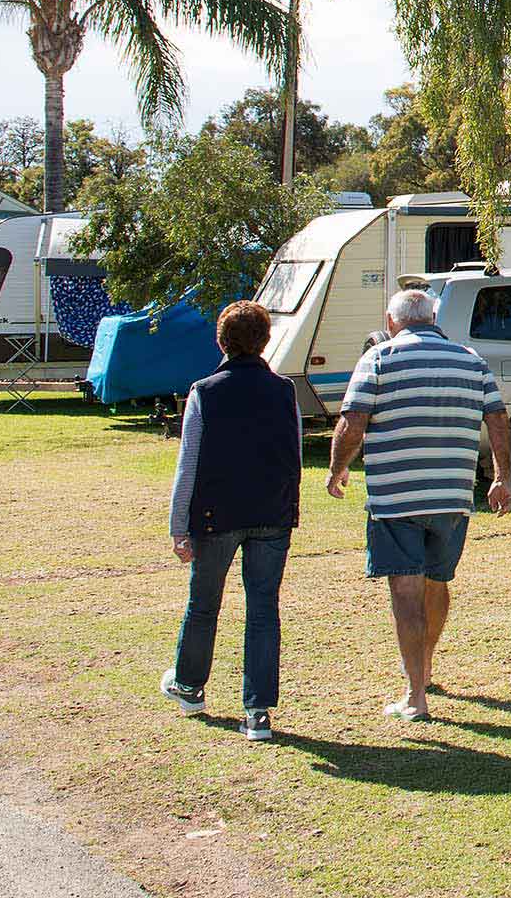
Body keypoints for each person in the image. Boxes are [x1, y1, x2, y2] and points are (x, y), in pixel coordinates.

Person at [327, 285, 511, 721]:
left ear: (391, 322)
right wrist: (502, 477)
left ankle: (415, 695)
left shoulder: (378, 358)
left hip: (396, 497)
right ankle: (425, 667)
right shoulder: (471, 360)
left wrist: (338, 468)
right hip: (452, 496)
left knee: (406, 591)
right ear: (432, 319)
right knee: (436, 582)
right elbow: (498, 420)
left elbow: (353, 421)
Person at [160, 300, 302, 741]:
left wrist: (178, 525)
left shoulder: (205, 391)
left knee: (204, 604)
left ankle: (189, 685)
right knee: (263, 608)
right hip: (271, 512)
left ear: (221, 341)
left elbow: (189, 463)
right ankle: (257, 710)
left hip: (215, 514)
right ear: (266, 340)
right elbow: (294, 455)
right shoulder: (284, 390)